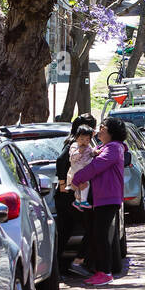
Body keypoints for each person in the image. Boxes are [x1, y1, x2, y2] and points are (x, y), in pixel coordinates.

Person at [71, 117, 129, 286]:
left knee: (101, 235)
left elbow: (96, 166)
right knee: (98, 234)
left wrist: (77, 178)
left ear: (111, 132)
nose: (100, 129)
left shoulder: (113, 148)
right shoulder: (104, 147)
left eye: (103, 127)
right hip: (102, 198)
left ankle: (105, 272)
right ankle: (100, 270)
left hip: (108, 197)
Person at [55, 114, 98, 275]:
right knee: (92, 228)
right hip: (71, 195)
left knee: (66, 231)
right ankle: (78, 261)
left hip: (69, 195)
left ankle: (60, 267)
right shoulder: (75, 144)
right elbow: (60, 160)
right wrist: (62, 184)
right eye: (92, 128)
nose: (93, 132)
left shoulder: (81, 143)